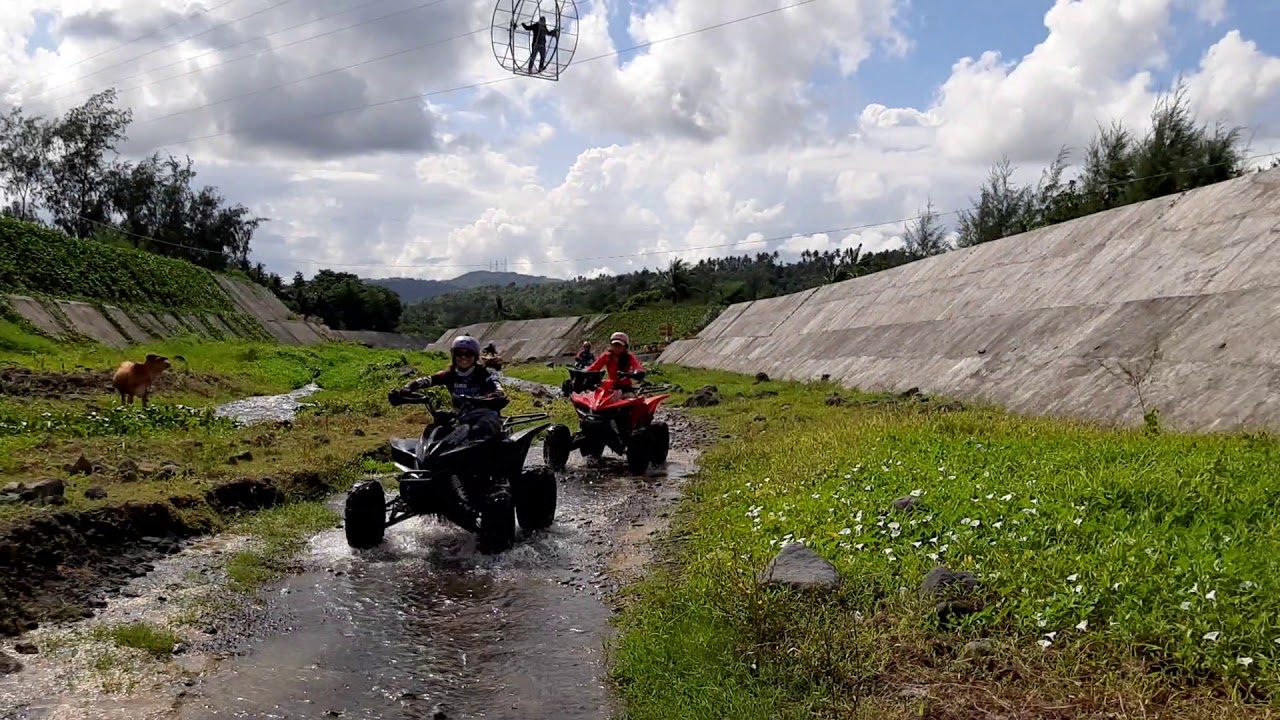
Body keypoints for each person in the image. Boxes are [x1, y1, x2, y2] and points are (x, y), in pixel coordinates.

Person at [390, 335, 508, 442]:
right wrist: (406, 389)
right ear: (453, 356)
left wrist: (491, 397)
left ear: (475, 356)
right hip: (460, 417)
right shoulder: (448, 375)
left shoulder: (485, 374)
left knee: (483, 425)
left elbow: (498, 389)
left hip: (483, 414)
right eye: (459, 354)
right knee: (436, 432)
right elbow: (426, 380)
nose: (463, 357)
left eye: (468, 354)